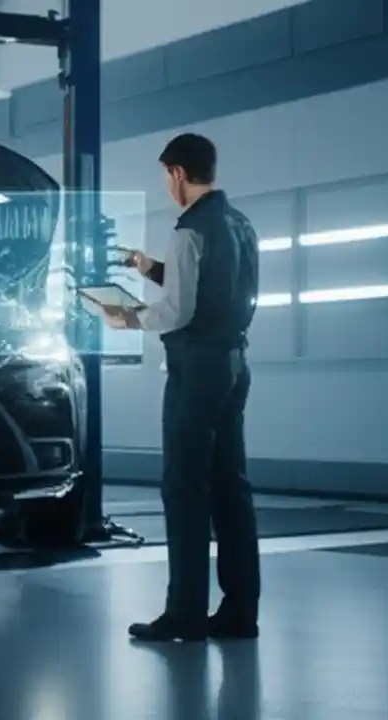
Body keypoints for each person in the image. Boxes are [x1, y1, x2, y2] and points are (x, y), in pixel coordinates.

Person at [100, 133, 262, 642]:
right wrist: (148, 266)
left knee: (185, 488)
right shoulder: (239, 224)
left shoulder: (190, 228)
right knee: (231, 488)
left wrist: (126, 318)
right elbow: (211, 287)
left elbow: (178, 310)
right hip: (235, 365)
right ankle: (239, 613)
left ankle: (185, 613)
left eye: (165, 177)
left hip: (196, 371)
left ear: (176, 173)